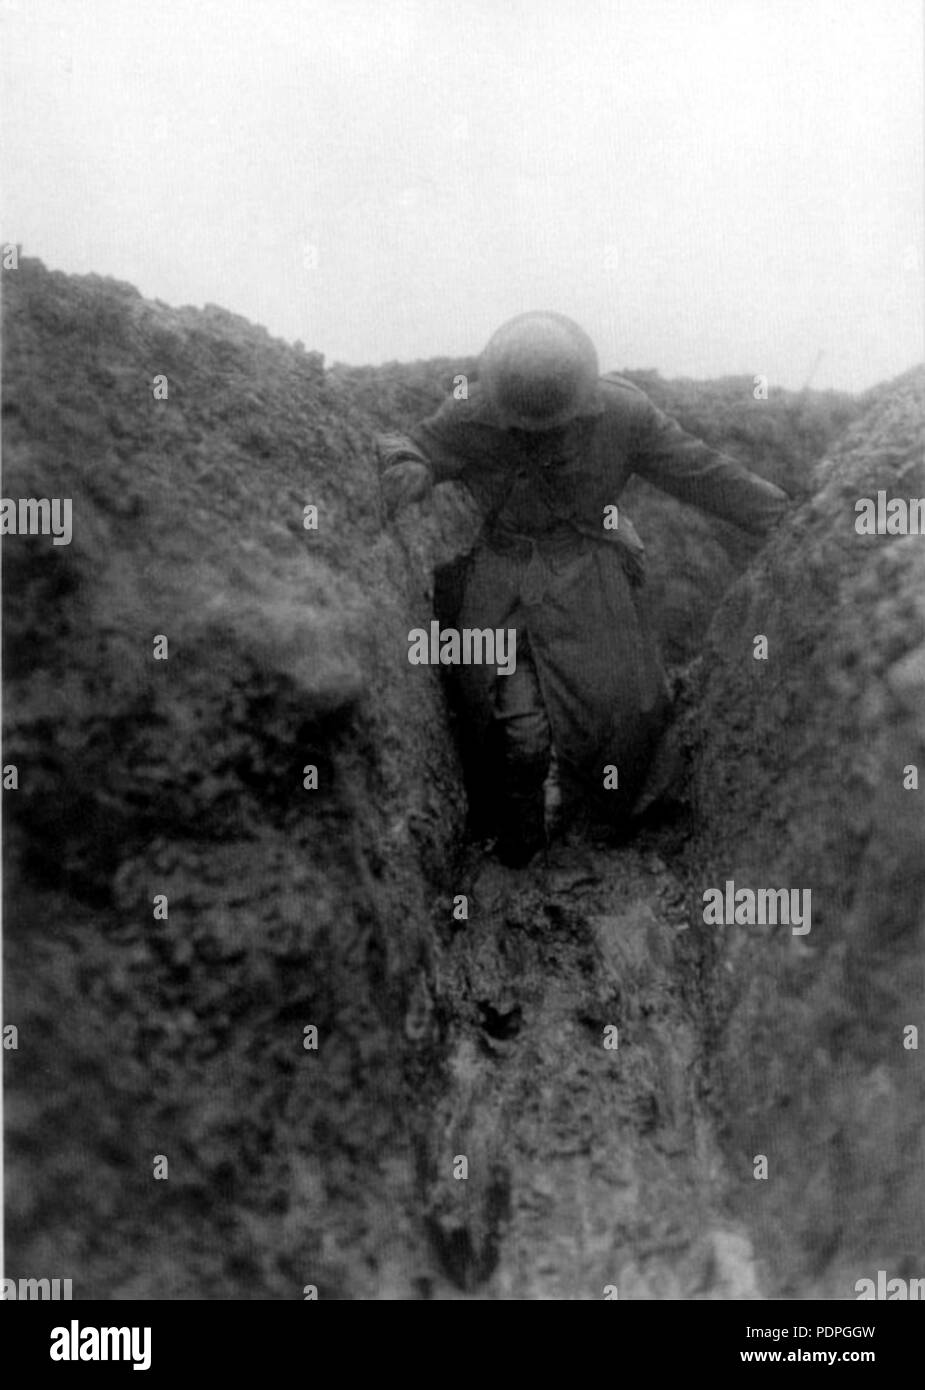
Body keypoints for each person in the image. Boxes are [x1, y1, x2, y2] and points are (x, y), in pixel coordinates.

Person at [378, 311, 789, 866]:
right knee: (511, 728)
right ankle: (517, 841)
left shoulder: (623, 414)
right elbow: (416, 445)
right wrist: (410, 464)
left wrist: (786, 519)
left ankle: (602, 823)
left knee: (632, 712)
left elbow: (702, 473)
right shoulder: (475, 413)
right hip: (502, 581)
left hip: (588, 576)